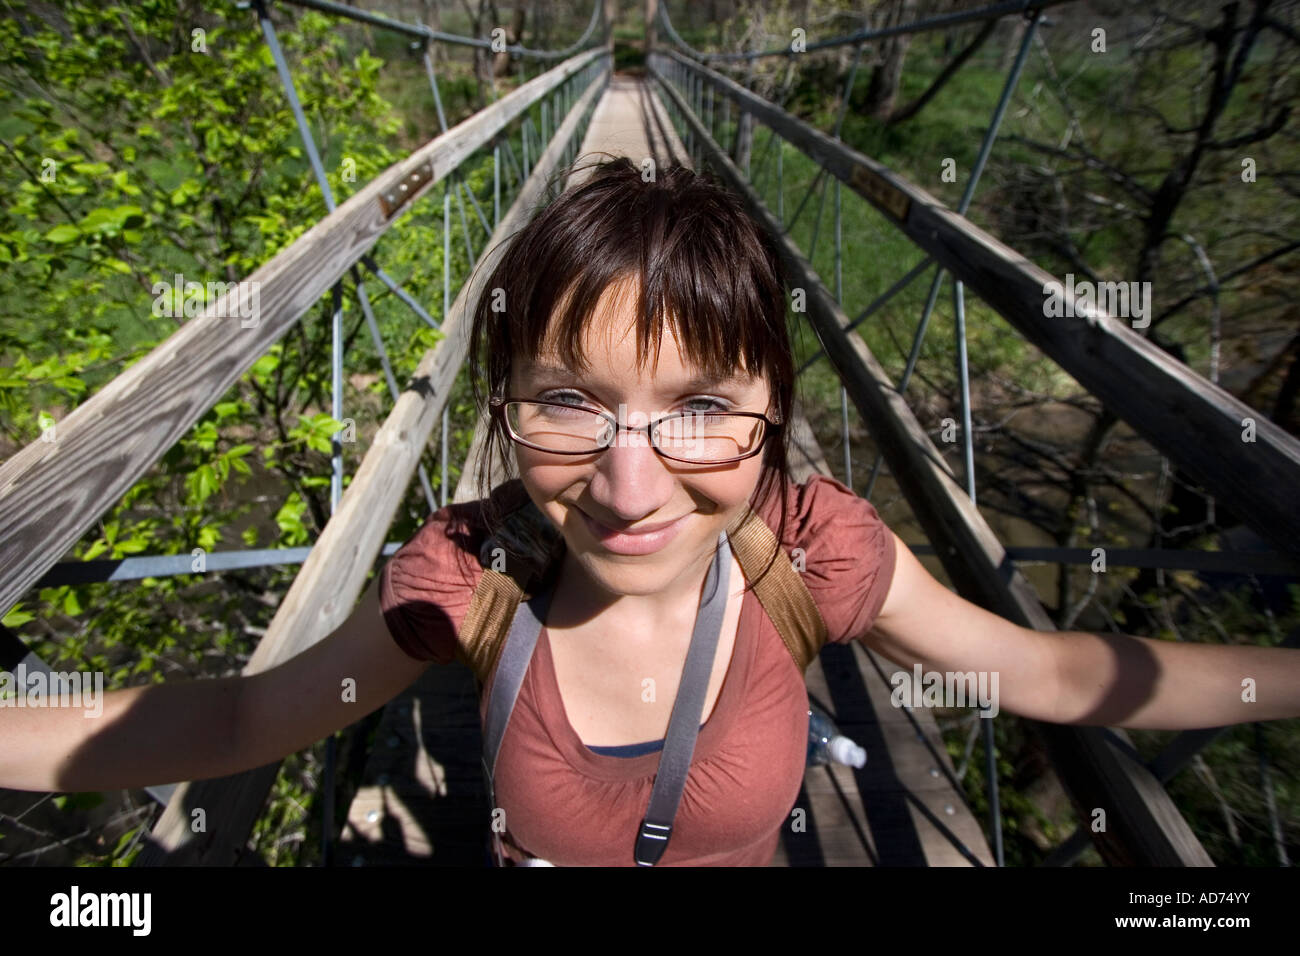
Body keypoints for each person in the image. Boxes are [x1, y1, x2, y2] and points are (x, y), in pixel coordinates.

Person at [3, 158, 1297, 867]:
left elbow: (1061, 670)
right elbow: (240, 716)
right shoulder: (467, 581)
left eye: (700, 408)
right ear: (502, 399)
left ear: (777, 408)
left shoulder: (815, 551)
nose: (631, 489)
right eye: (567, 403)